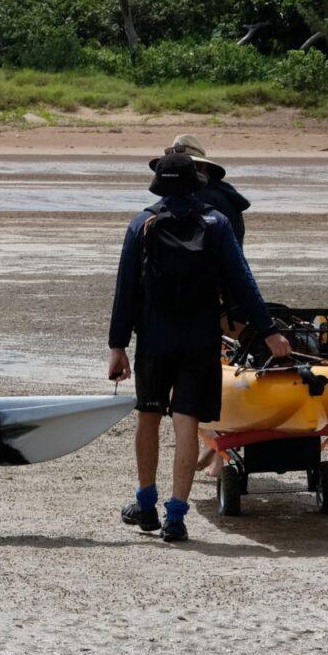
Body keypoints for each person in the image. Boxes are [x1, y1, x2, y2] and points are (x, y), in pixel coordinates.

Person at [107, 153, 291, 543]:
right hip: (199, 340)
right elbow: (243, 283)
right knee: (186, 422)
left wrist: (117, 346)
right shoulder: (216, 223)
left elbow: (125, 288)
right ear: (195, 182)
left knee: (148, 417)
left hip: (155, 340)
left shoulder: (142, 223)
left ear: (159, 184)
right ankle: (175, 514)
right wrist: (269, 330)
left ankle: (145, 504)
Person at [167, 132, 250, 245]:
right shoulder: (221, 192)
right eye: (175, 166)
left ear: (201, 167)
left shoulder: (202, 197)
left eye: (183, 167)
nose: (177, 172)